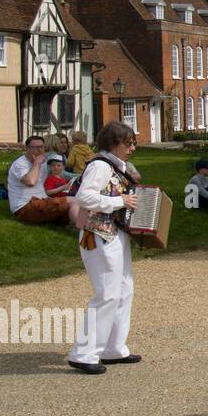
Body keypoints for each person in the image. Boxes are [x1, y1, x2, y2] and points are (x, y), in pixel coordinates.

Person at [66, 120, 143, 375]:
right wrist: (120, 200)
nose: (132, 147)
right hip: (97, 235)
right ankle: (84, 353)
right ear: (113, 144)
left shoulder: (114, 166)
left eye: (133, 142)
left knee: (124, 290)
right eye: (128, 143)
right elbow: (84, 197)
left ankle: (113, 347)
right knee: (106, 293)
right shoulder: (99, 165)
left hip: (115, 234)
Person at [7, 136, 71, 225]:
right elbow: (31, 182)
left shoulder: (43, 163)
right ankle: (84, 229)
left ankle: (85, 228)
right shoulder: (20, 164)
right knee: (73, 201)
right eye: (35, 147)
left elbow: (59, 174)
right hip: (25, 207)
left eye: (41, 147)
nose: (40, 150)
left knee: (77, 205)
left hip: (43, 202)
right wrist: (36, 163)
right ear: (27, 149)